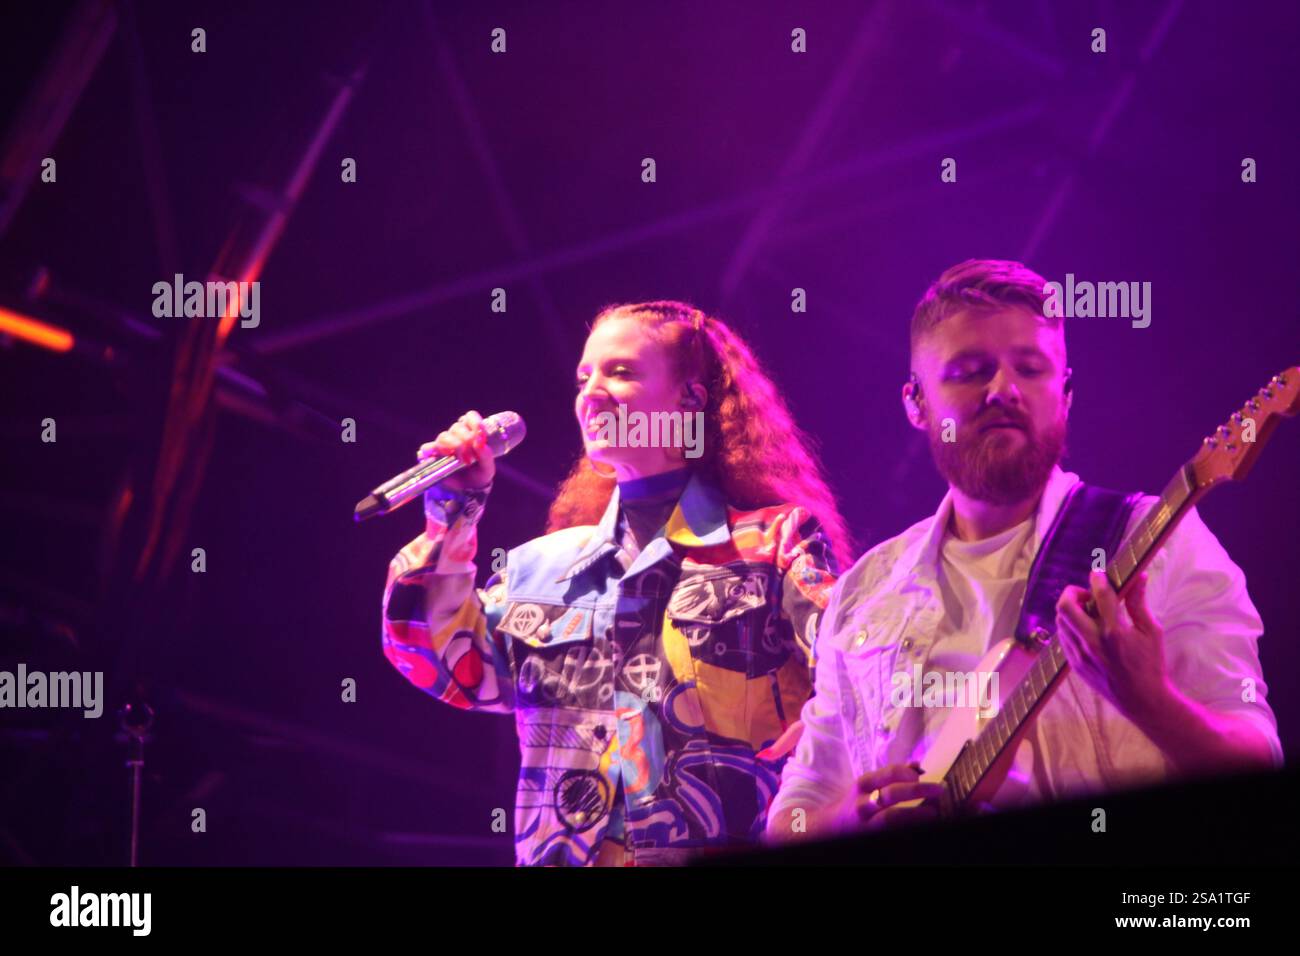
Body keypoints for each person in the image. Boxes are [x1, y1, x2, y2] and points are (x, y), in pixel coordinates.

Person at [767, 259, 1282, 840]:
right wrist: (850, 818)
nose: (1003, 390)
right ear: (916, 403)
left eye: (1031, 369)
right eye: (969, 371)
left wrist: (1148, 699)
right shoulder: (864, 592)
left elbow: (1257, 759)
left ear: (1066, 394)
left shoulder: (1157, 540)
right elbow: (795, 810)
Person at [382, 300, 850, 865]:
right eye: (584, 378)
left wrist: (821, 756)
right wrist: (453, 511)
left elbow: (857, 673)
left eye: (620, 372)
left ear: (690, 399)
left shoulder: (774, 545)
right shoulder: (541, 568)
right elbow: (446, 665)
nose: (592, 393)